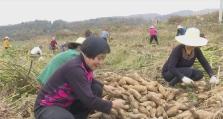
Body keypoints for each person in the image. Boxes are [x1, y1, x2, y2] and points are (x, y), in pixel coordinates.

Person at [34, 36, 125, 119]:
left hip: (65, 104)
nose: (101, 62)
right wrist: (112, 104)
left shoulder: (84, 64)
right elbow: (89, 100)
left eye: (103, 58)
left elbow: (89, 80)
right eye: (99, 58)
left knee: (96, 88)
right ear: (89, 54)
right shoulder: (75, 68)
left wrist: (105, 87)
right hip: (47, 107)